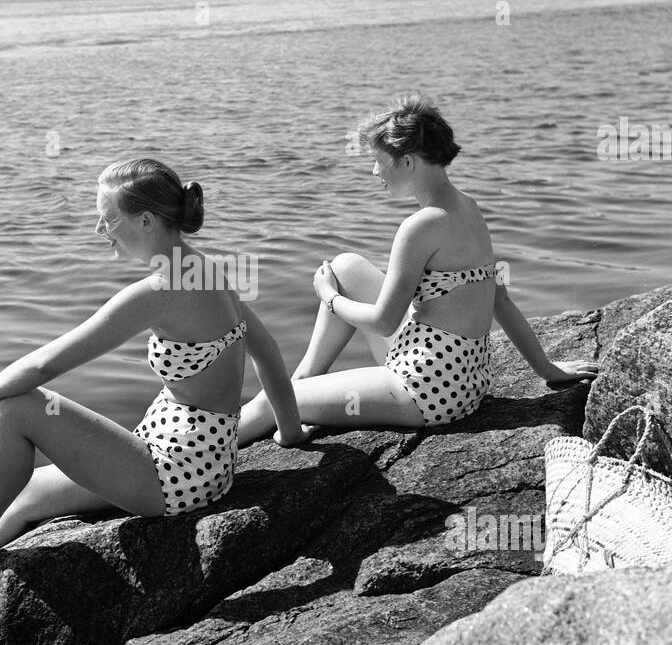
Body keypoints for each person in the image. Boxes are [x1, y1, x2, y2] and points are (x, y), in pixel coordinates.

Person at [0, 158, 307, 605]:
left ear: (146, 220)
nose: (99, 229)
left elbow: (44, 366)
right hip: (206, 464)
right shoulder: (206, 269)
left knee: (15, 408)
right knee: (22, 493)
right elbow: (266, 350)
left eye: (108, 218)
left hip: (175, 477)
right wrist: (290, 434)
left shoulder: (158, 291)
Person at [238, 95, 598, 444]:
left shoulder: (419, 227)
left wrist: (329, 297)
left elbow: (383, 322)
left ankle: (219, 443)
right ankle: (307, 382)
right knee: (345, 267)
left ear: (408, 162)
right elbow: (500, 300)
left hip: (424, 390)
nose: (373, 170)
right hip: (463, 377)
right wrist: (547, 369)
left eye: (379, 161)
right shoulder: (468, 208)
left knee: (277, 396)